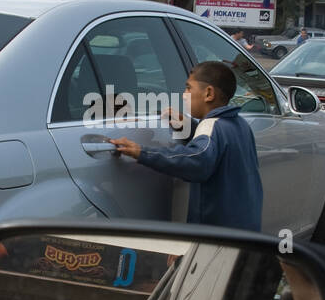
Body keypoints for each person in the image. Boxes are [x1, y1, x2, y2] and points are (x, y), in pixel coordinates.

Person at [108, 60, 263, 231]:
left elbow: (197, 161)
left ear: (208, 94)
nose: (183, 95)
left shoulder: (211, 126)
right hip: (245, 228)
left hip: (216, 235)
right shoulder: (238, 124)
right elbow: (213, 146)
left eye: (189, 88)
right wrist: (188, 127)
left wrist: (142, 152)